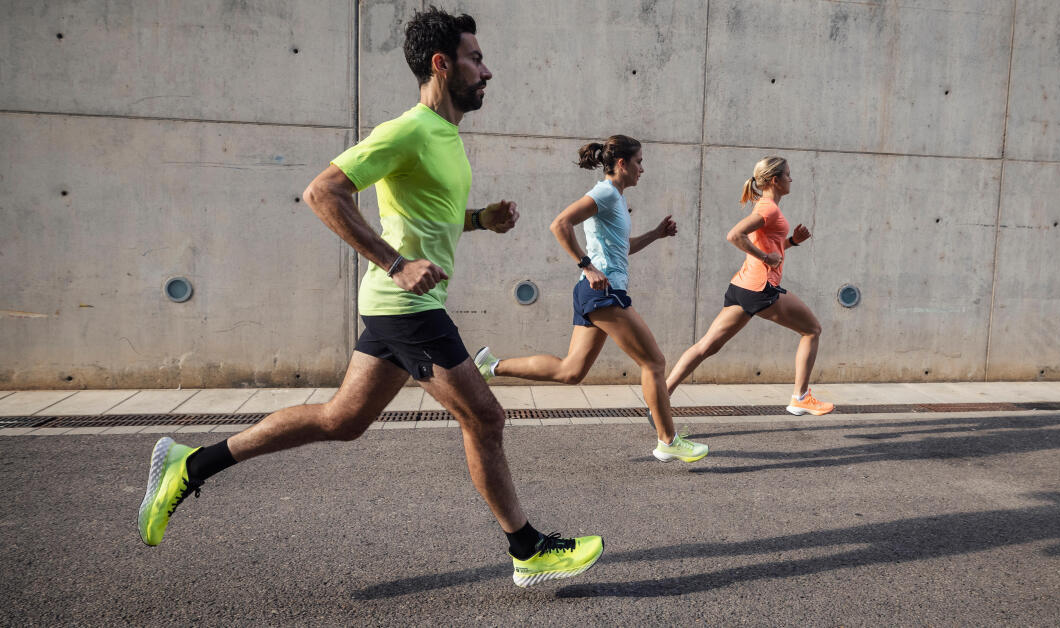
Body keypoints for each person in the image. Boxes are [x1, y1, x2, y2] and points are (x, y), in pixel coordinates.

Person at [137, 7, 603, 588]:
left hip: (396, 306)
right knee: (484, 416)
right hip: (406, 305)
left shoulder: (447, 137)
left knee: (342, 419)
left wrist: (480, 219)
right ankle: (528, 548)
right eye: (475, 58)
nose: (488, 72)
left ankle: (193, 462)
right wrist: (395, 264)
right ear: (442, 64)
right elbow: (323, 191)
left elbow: (426, 218)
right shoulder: (407, 129)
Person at [472, 135, 709, 463]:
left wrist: (656, 234)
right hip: (603, 292)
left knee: (571, 371)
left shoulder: (615, 199)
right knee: (653, 362)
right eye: (639, 161)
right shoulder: (605, 193)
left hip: (596, 292)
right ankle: (668, 439)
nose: (643, 168)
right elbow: (560, 224)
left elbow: (620, 248)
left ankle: (492, 365)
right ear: (622, 164)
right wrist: (586, 265)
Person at [662, 156, 835, 416]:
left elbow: (771, 247)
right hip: (760, 288)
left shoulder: (766, 207)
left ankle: (661, 396)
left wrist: (791, 242)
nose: (791, 179)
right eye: (788, 174)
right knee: (812, 329)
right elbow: (734, 235)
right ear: (775, 180)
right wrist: (766, 258)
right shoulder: (769, 209)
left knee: (706, 347)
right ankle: (800, 396)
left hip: (742, 287)